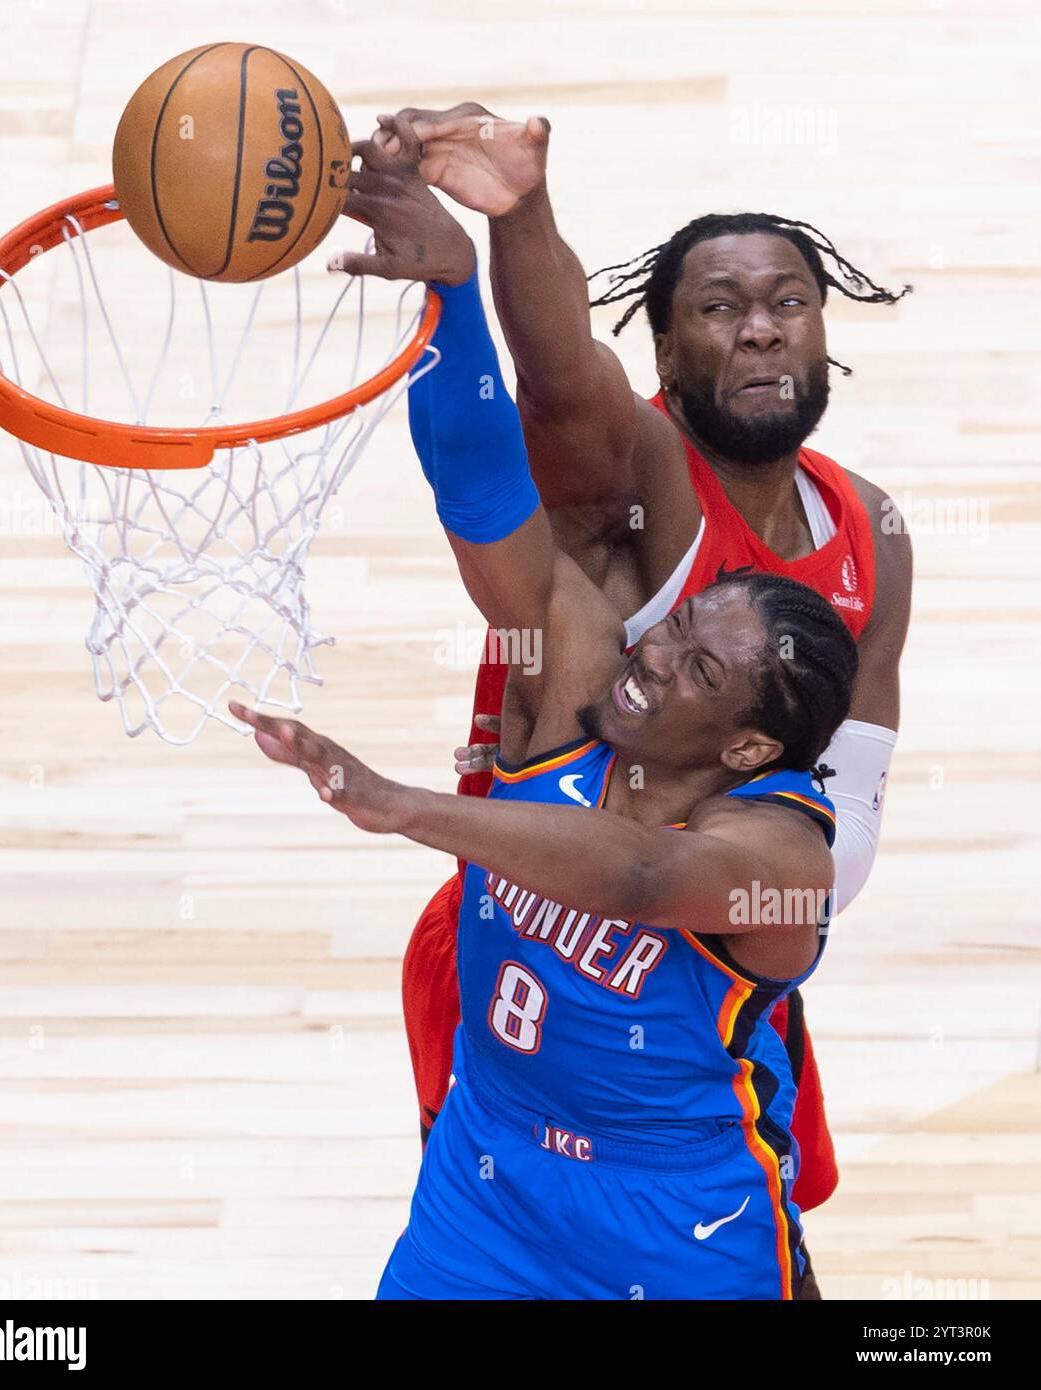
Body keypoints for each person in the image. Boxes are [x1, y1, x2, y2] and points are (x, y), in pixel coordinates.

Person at [232, 142, 858, 1297]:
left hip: (675, 1221)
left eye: (692, 671)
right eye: (676, 626)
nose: (648, 656)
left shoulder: (778, 860)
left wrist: (399, 806)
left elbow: (630, 879)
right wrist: (452, 296)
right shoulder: (582, 682)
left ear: (748, 747)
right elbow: (483, 496)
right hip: (489, 1178)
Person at [368, 107, 913, 1210]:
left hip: (710, 967)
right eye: (718, 308)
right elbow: (562, 381)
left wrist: (753, 879)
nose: (759, 330)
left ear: (820, 327)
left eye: (785, 303)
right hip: (527, 935)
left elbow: (848, 830)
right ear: (662, 351)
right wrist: (522, 215)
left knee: (761, 1237)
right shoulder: (632, 476)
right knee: (506, 1234)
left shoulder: (871, 528)